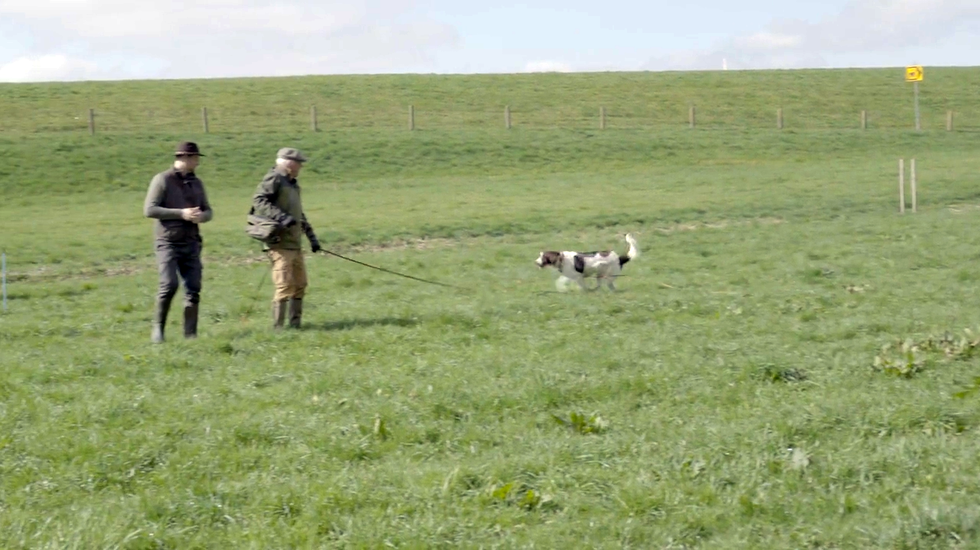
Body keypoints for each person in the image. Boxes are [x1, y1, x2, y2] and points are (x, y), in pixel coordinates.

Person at [142, 141, 213, 342]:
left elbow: (208, 210)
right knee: (169, 284)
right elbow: (149, 210)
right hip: (168, 242)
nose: (197, 162)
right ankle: (158, 329)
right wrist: (181, 213)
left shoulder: (197, 183)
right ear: (183, 158)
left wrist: (202, 217)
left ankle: (190, 335)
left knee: (193, 288)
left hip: (191, 242)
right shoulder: (162, 180)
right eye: (195, 158)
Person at [250, 147, 321, 329]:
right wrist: (281, 217)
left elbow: (299, 214)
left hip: (295, 243)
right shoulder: (274, 178)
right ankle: (279, 329)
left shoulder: (293, 184)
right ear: (288, 163)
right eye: (299, 163)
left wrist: (312, 237)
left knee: (300, 284)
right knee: (284, 286)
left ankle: (295, 325)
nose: (300, 167)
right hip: (280, 243)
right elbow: (259, 200)